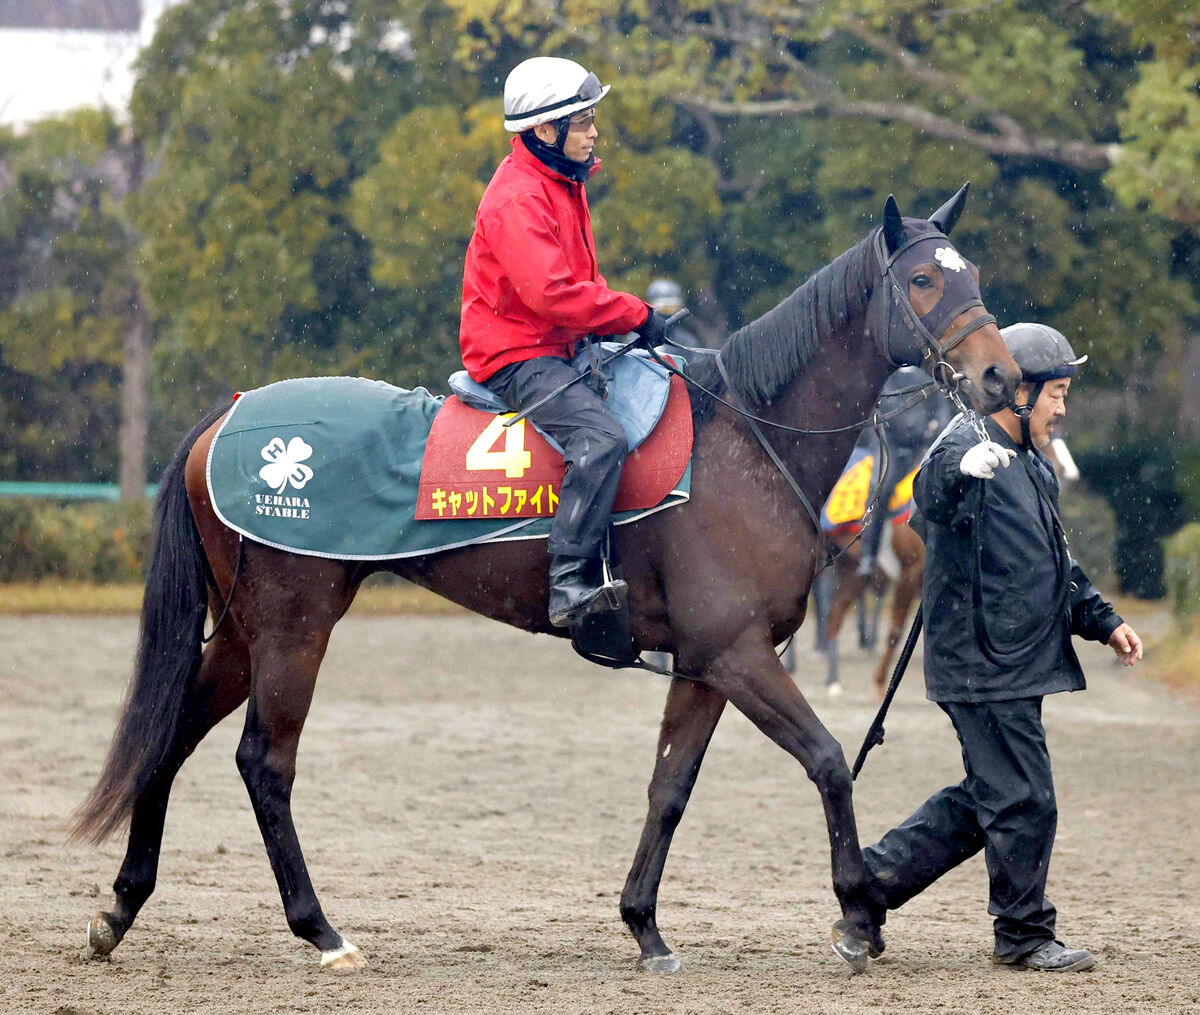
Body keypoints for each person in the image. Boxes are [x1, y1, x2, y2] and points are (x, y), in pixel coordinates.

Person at [844, 322, 1144, 973]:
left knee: (991, 797)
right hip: (981, 663)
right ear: (1018, 391)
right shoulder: (965, 444)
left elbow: (1054, 562)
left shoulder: (1034, 464)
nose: (1063, 408)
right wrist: (957, 469)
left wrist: (1103, 619)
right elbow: (931, 493)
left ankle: (866, 885)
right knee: (1026, 797)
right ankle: (1025, 933)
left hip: (1013, 662)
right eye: (1057, 393)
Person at [459, 57, 670, 627]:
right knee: (602, 439)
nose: (594, 131)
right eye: (583, 121)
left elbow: (582, 284)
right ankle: (568, 582)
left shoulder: (561, 181)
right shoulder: (520, 198)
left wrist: (631, 325)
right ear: (545, 131)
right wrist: (635, 313)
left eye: (592, 118)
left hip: (559, 346)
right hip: (517, 358)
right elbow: (554, 294)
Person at [856, 366, 953, 577]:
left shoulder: (926, 375)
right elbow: (876, 414)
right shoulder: (886, 378)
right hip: (891, 447)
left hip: (921, 447)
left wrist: (936, 428)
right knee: (881, 488)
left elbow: (941, 410)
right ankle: (869, 554)